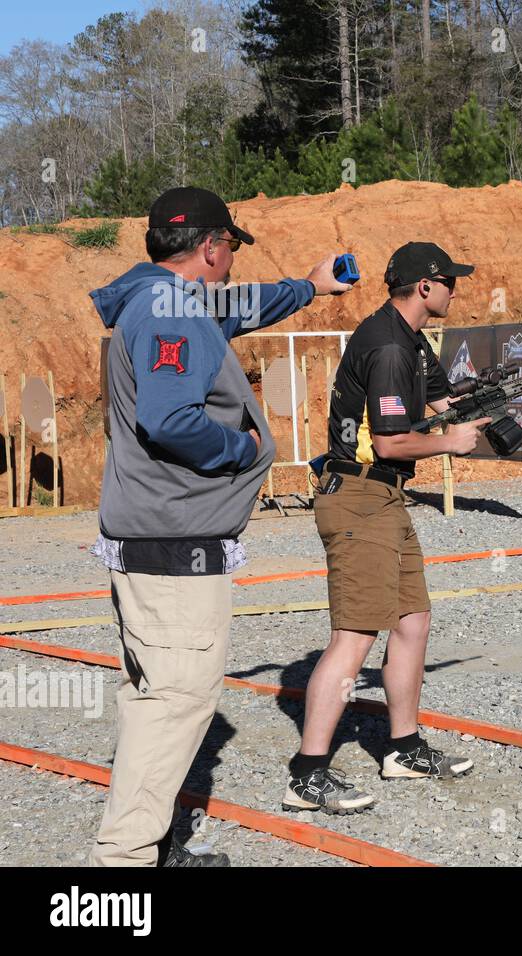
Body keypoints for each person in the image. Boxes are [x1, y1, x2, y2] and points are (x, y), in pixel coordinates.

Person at [89, 186, 353, 865]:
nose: (232, 260)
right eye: (230, 246)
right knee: (175, 704)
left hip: (155, 537)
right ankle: (120, 869)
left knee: (156, 696)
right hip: (173, 543)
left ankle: (151, 847)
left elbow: (234, 308)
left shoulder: (164, 300)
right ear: (210, 246)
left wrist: (307, 288)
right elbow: (170, 420)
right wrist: (245, 451)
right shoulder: (167, 314)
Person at [282, 241, 522, 813]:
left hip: (383, 497)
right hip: (359, 495)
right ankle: (307, 773)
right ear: (426, 286)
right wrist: (450, 444)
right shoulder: (388, 347)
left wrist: (516, 386)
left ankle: (402, 748)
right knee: (355, 636)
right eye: (450, 282)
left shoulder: (406, 338)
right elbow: (390, 440)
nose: (456, 290)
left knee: (412, 621)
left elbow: (446, 398)